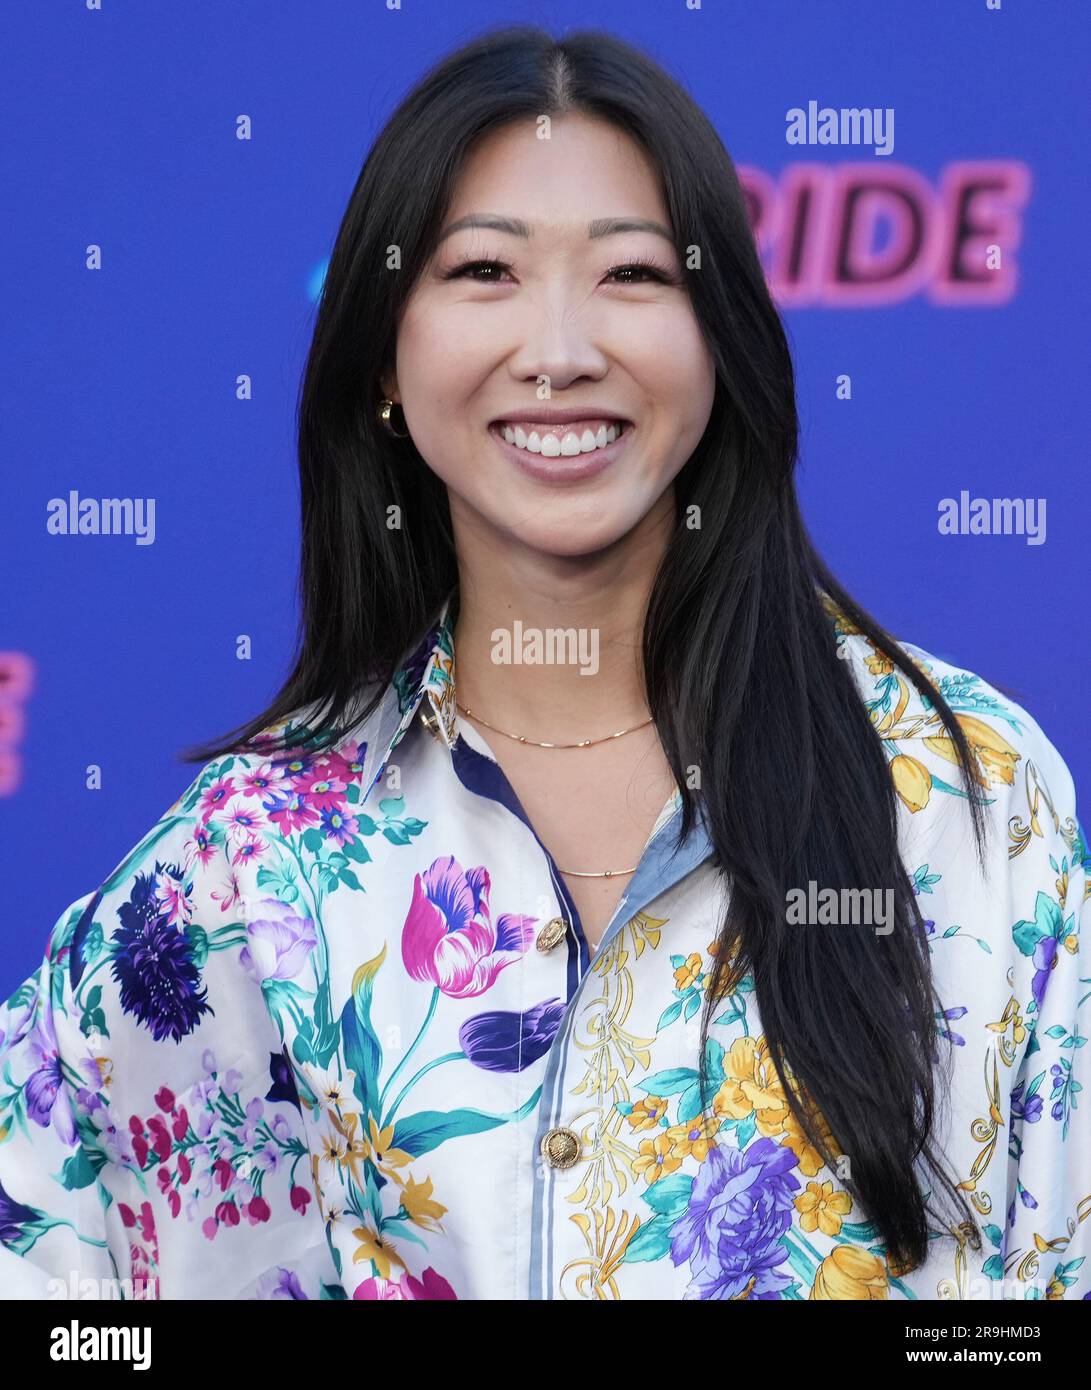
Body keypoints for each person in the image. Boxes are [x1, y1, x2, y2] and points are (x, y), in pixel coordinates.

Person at [1, 24, 1087, 1301]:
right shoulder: (248, 860)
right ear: (385, 367)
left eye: (630, 274)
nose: (561, 349)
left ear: (719, 341)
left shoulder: (970, 799)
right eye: (484, 272)